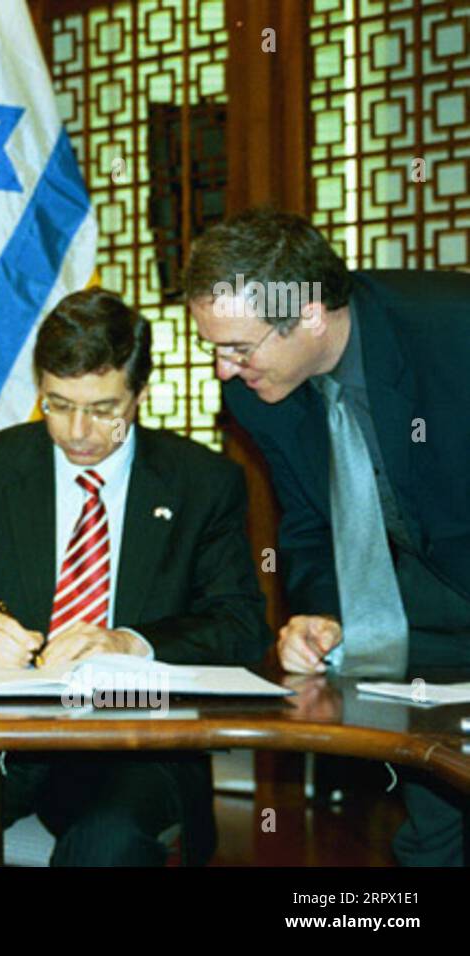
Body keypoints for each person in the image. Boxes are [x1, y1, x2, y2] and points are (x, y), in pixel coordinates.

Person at [0, 288, 269, 866]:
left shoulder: (201, 483)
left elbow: (240, 625)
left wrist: (129, 643)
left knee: (104, 847)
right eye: (57, 403)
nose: (76, 431)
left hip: (135, 742)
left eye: (102, 409)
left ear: (139, 396)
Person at [185, 207, 470, 866]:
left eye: (239, 348)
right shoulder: (259, 393)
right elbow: (310, 523)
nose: (226, 371)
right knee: (436, 841)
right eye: (215, 349)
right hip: (415, 629)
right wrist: (320, 615)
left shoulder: (451, 331)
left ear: (310, 314)